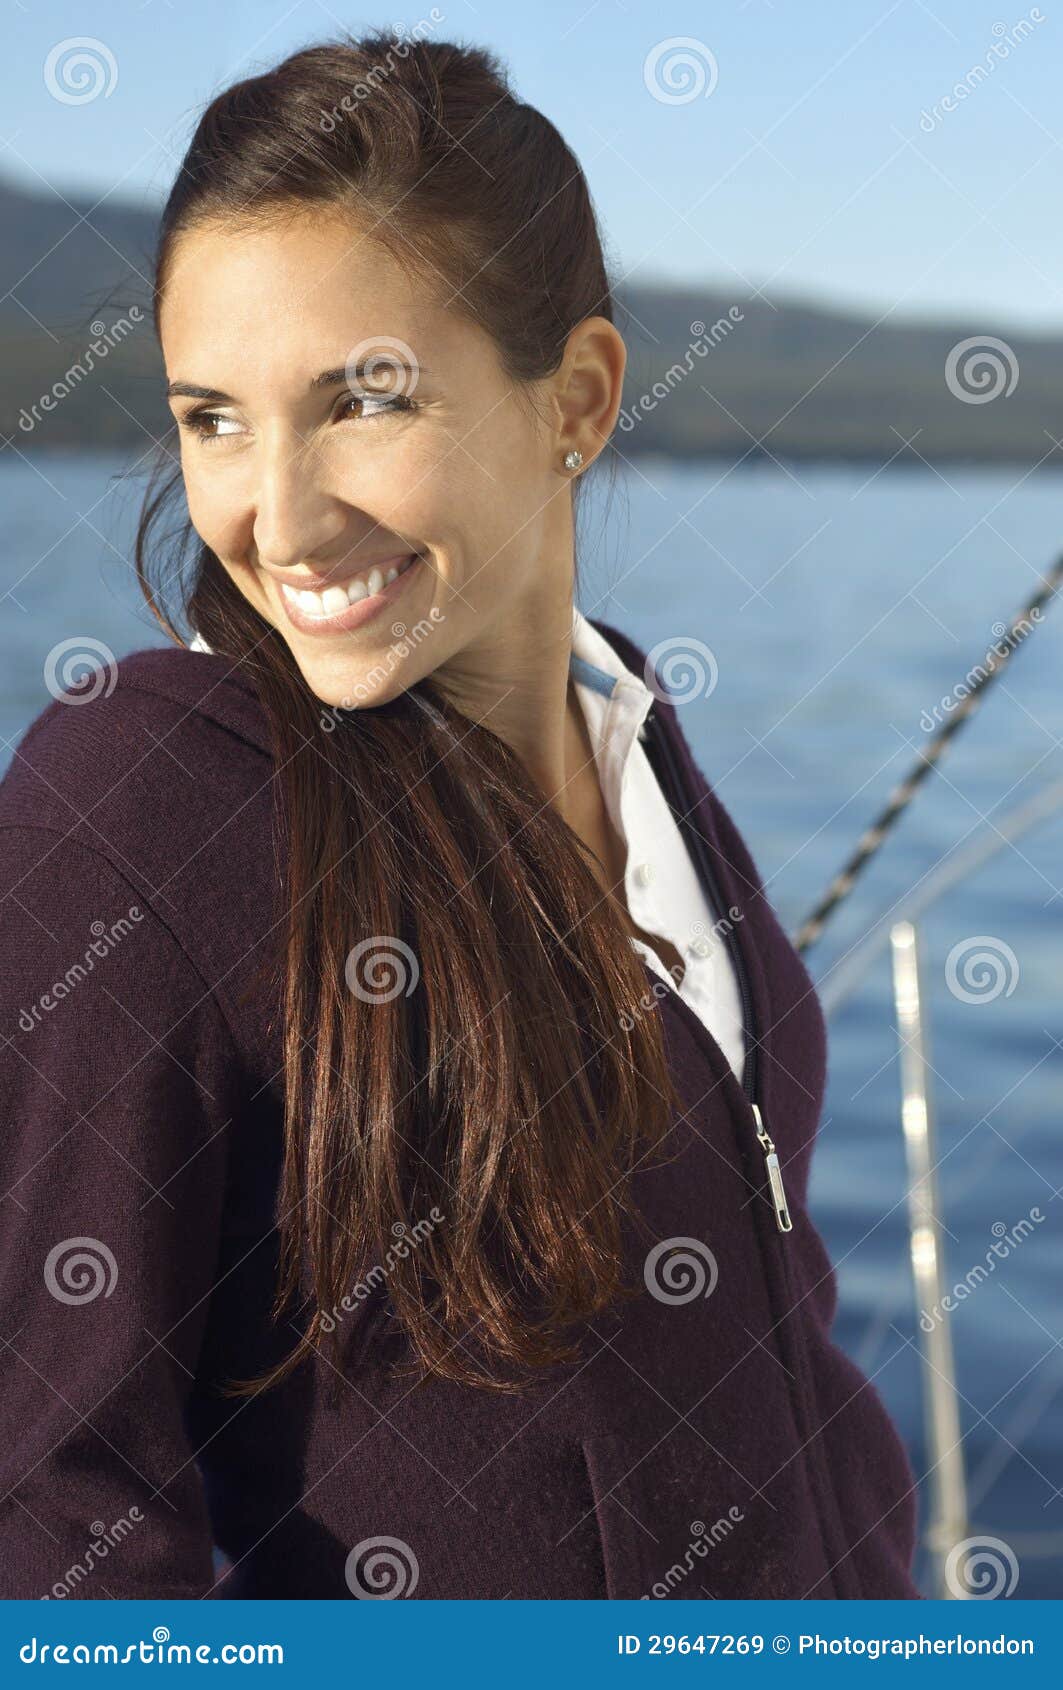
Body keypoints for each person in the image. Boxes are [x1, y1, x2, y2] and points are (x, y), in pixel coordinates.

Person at [0, 33, 920, 1600]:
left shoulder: (635, 732)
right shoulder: (148, 800)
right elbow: (46, 1511)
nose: (274, 519)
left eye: (362, 401)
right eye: (212, 417)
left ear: (578, 396)